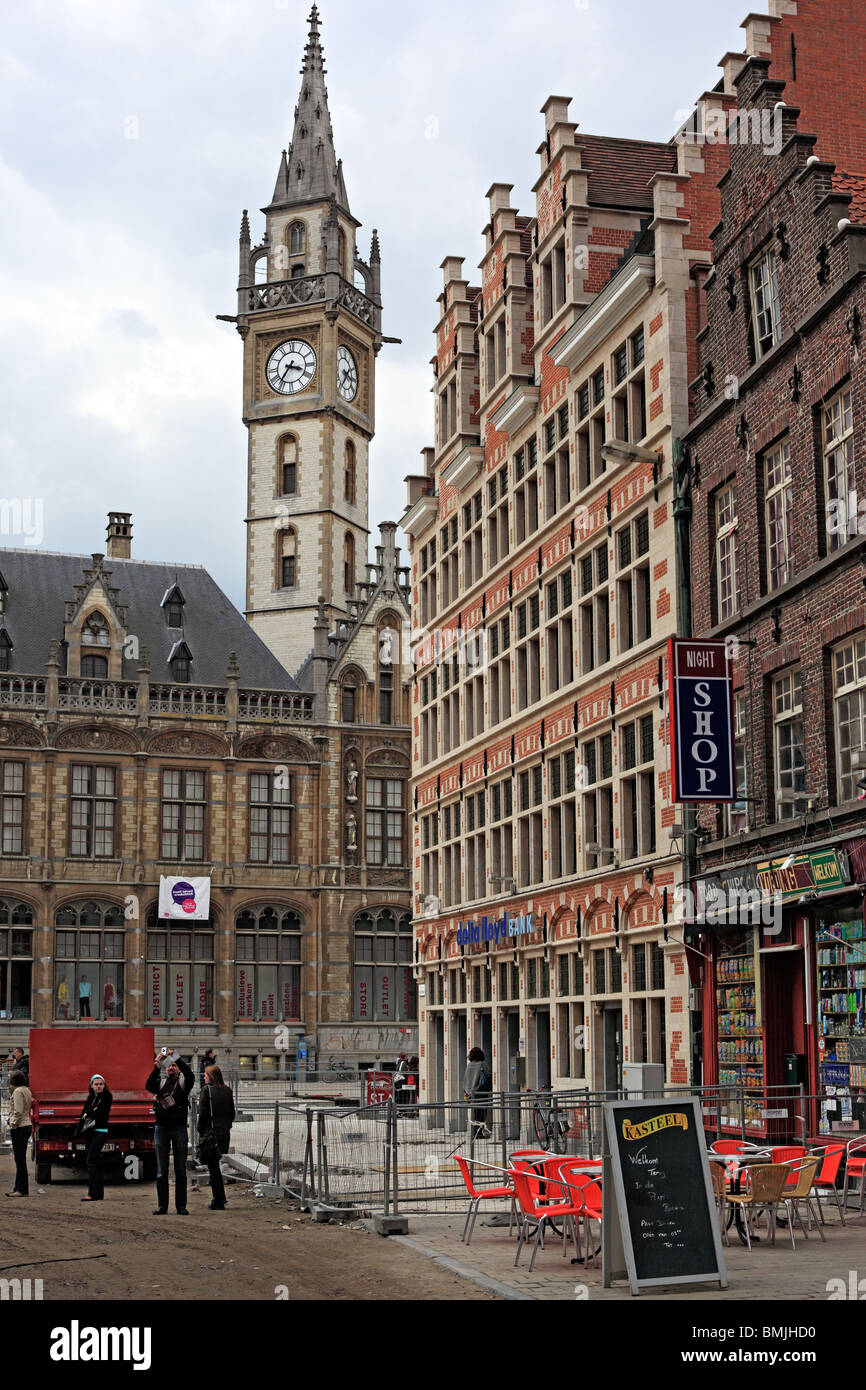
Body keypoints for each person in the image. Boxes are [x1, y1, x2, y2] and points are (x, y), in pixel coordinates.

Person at [145, 1050, 196, 1216]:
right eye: (168, 1066)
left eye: (173, 1066)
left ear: (178, 1069)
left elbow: (190, 1076)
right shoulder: (160, 1083)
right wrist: (157, 1065)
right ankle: (162, 1206)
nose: (171, 1068)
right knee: (162, 1170)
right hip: (161, 1129)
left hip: (179, 1129)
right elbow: (148, 1086)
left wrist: (176, 1058)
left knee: (180, 1169)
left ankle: (181, 1206)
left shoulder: (183, 1084)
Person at [197, 1064, 235, 1211]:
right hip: (224, 1133)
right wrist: (226, 1126)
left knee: (213, 1168)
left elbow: (203, 1113)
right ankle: (220, 1197)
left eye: (206, 1074)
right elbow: (231, 1114)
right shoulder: (227, 1090)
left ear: (211, 1076)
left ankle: (218, 1199)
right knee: (215, 1165)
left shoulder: (206, 1090)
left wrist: (201, 1131)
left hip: (210, 1133)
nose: (204, 1076)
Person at [76, 1074, 113, 1202]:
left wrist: (89, 1113)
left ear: (104, 1085)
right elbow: (83, 1114)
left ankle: (92, 1193)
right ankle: (99, 1193)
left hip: (100, 1132)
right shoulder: (91, 1098)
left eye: (101, 1084)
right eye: (96, 1084)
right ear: (91, 1086)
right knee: (95, 1162)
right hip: (90, 1133)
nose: (98, 1086)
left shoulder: (107, 1097)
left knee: (90, 1161)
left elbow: (100, 1113)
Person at [5, 1070, 32, 1197]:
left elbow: (18, 1110)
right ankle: (18, 1187)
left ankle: (21, 1189)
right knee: (20, 1160)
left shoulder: (17, 1091)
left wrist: (12, 1123)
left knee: (19, 1160)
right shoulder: (26, 1090)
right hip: (26, 1125)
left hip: (19, 1127)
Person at [463, 1046, 492, 1139]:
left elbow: (466, 1079)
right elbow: (488, 1075)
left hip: (471, 1093)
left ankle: (474, 1131)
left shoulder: (469, 1065)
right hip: (481, 1092)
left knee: (474, 1112)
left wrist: (467, 1091)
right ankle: (479, 1132)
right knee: (482, 1112)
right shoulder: (482, 1064)